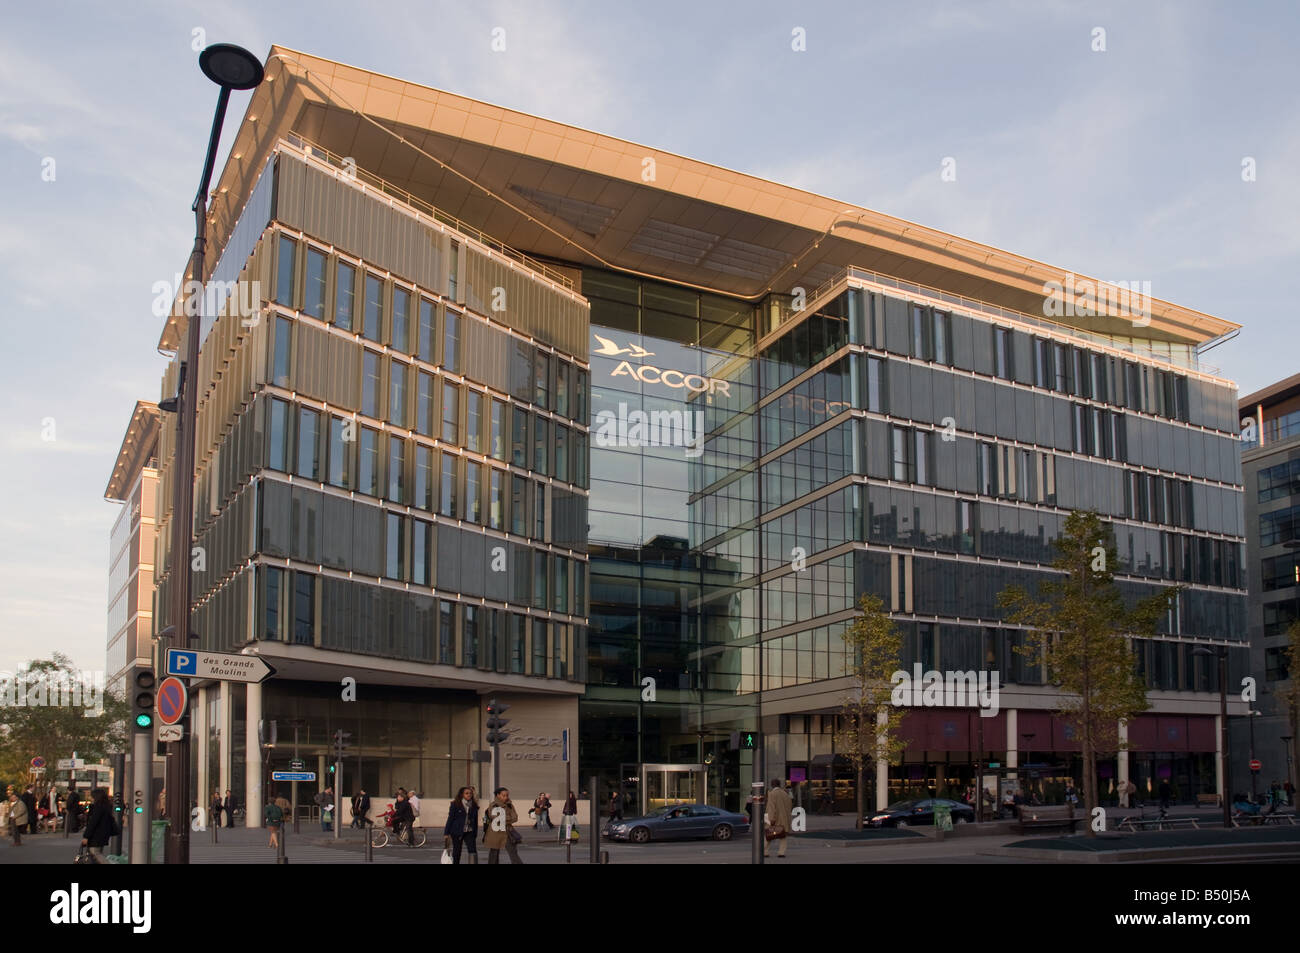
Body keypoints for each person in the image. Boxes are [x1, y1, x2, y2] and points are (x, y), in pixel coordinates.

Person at [483, 787, 522, 864]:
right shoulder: (493, 805)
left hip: (507, 832)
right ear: (498, 795)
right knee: (494, 852)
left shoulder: (510, 805)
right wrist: (508, 818)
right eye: (503, 795)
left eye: (507, 795)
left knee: (513, 851)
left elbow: (515, 818)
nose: (506, 797)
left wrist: (504, 818)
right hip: (495, 832)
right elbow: (496, 818)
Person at [443, 786, 479, 864]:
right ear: (462, 794)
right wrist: (446, 833)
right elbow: (450, 819)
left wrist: (475, 833)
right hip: (457, 831)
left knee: (472, 850)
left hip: (469, 831)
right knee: (457, 851)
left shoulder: (474, 805)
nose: (469, 795)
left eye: (470, 793)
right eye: (466, 793)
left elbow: (475, 820)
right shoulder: (455, 804)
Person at [81, 789, 116, 864]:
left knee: (95, 853)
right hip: (103, 834)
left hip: (97, 835)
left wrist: (86, 836)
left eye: (92, 797)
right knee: (98, 853)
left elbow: (93, 823)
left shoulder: (98, 808)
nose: (91, 798)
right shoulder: (106, 806)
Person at [765, 778, 793, 859]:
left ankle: (765, 851)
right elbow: (790, 806)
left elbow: (771, 808)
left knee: (769, 835)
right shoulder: (785, 794)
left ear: (772, 784)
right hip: (785, 819)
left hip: (775, 819)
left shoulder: (772, 794)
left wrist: (771, 819)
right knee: (783, 836)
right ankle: (781, 852)